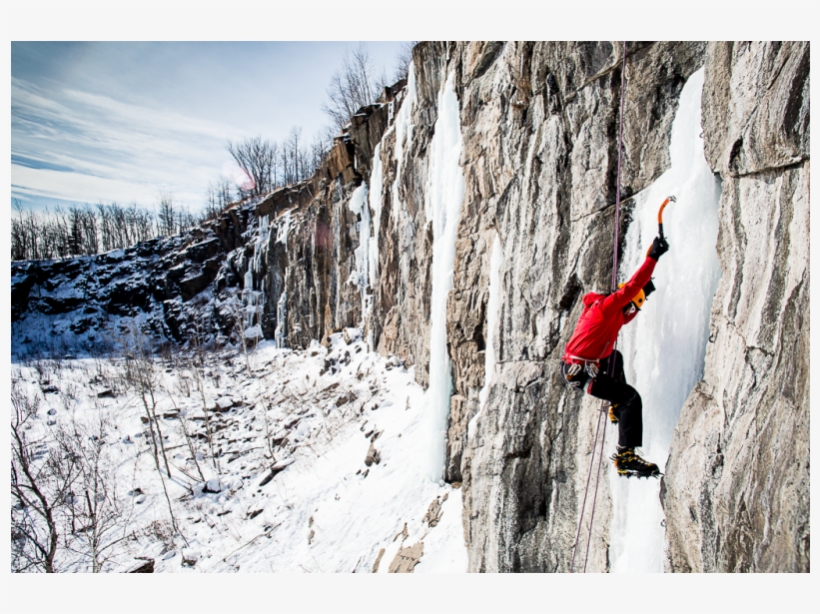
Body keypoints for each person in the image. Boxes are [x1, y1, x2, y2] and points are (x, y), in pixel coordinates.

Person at [560, 235, 669, 478]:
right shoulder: (604, 307)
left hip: (581, 366)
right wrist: (653, 257)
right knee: (631, 397)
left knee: (615, 357)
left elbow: (628, 313)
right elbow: (631, 287)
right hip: (578, 371)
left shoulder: (614, 314)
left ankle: (615, 406)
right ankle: (625, 455)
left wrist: (643, 295)